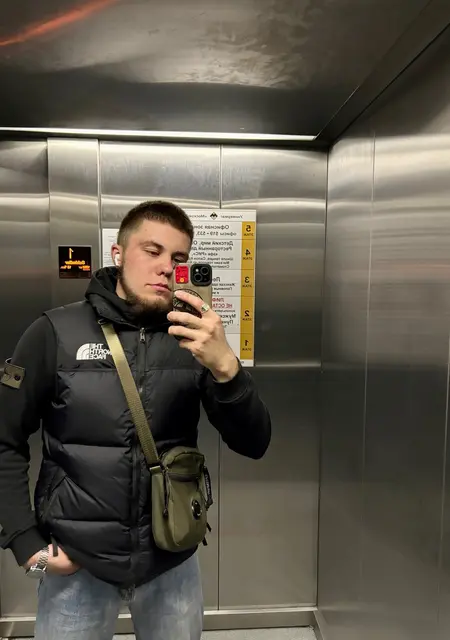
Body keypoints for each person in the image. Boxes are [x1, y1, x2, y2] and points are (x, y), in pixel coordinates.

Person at [0, 200, 271, 640]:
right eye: (152, 250)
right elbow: (4, 438)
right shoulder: (55, 332)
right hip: (77, 564)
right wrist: (25, 544)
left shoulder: (195, 340)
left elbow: (254, 443)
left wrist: (227, 369)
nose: (166, 266)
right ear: (119, 253)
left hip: (172, 560)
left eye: (178, 257)